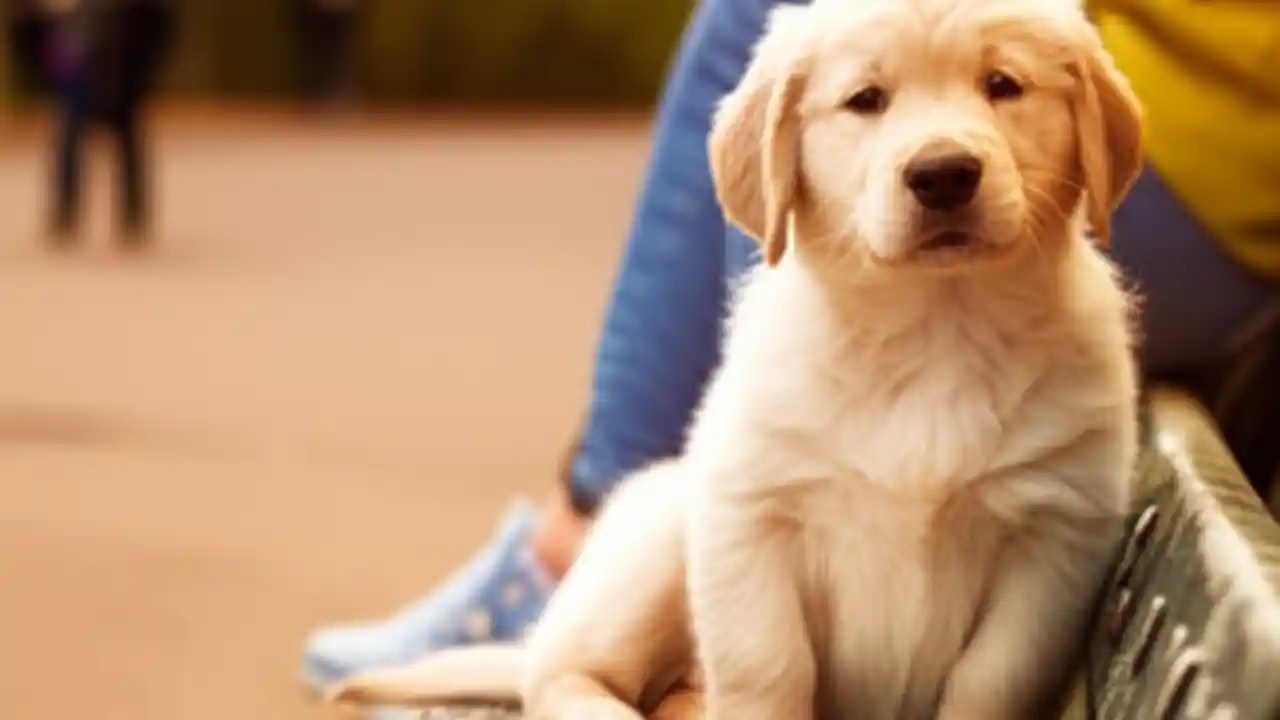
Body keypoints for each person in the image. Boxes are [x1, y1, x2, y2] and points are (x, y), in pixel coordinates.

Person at [301, 0, 1280, 691]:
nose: (940, 144)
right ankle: (594, 562)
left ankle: (570, 541)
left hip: (1229, 144)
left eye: (995, 87)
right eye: (867, 103)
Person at [45, 0, 172, 247]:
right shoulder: (78, 12)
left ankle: (131, 213)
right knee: (74, 136)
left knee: (122, 137)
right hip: (85, 75)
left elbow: (157, 30)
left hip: (121, 72)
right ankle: (67, 210)